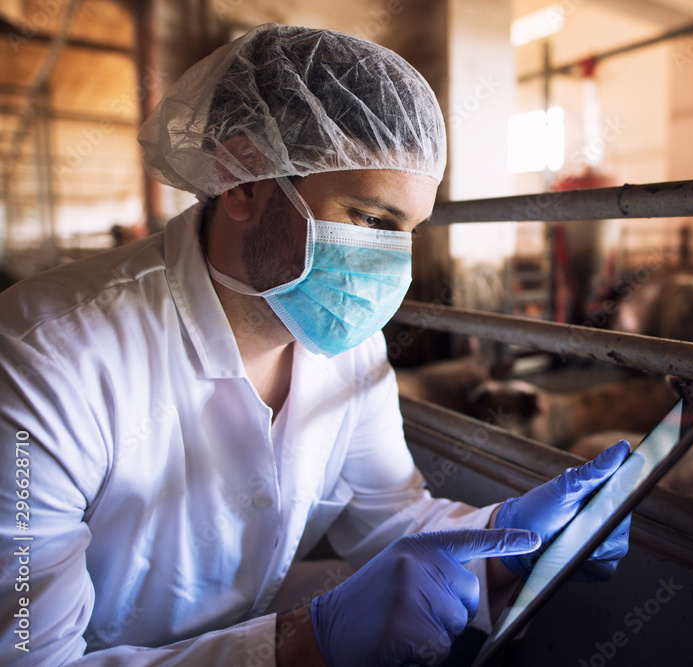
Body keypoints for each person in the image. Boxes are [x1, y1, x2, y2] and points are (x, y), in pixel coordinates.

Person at [0, 23, 632, 666]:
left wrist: (510, 540)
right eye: (371, 220)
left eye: (408, 230)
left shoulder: (346, 341)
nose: (395, 266)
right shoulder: (44, 360)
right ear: (244, 176)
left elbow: (388, 515)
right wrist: (302, 645)